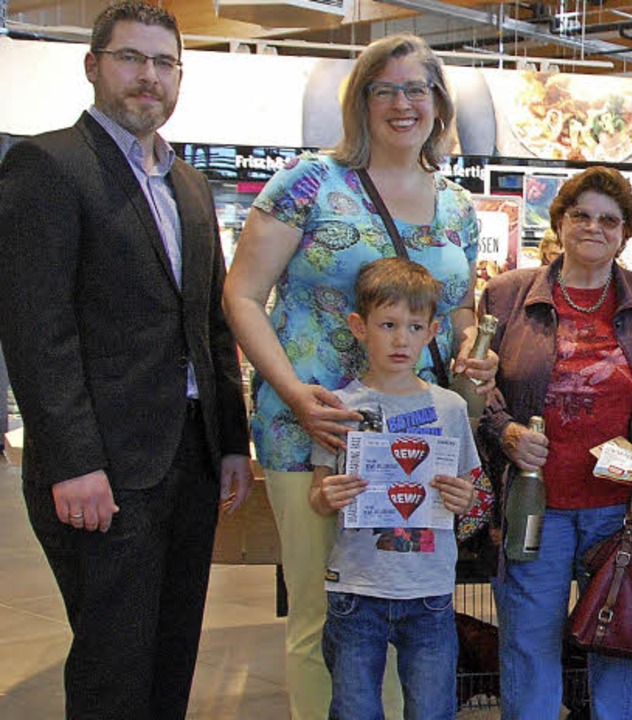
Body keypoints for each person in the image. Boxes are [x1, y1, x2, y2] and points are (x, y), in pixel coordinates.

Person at [223, 33, 492, 720]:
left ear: (439, 103)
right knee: (324, 615)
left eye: (417, 89)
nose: (403, 104)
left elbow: (458, 307)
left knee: (409, 609)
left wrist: (471, 346)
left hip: (416, 440)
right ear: (361, 101)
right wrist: (293, 394)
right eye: (385, 89)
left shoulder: (457, 205)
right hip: (316, 431)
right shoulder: (310, 183)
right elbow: (242, 294)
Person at [0, 3, 252, 717]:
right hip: (103, 468)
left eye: (165, 62)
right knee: (114, 662)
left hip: (190, 458)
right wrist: (73, 460)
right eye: (131, 58)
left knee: (172, 652)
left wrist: (231, 442)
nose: (150, 76)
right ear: (93, 66)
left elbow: (209, 324)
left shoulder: (187, 183)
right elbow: (35, 328)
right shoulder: (48, 166)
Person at [478, 166, 632, 720]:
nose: (595, 228)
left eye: (609, 220)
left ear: (626, 233)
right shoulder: (506, 296)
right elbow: (477, 382)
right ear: (560, 222)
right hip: (534, 504)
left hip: (621, 505)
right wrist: (504, 429)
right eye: (582, 216)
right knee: (529, 644)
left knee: (618, 644)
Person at [305, 258, 481, 719]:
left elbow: (468, 491)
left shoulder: (450, 407)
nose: (401, 339)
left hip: (429, 588)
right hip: (356, 586)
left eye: (414, 327)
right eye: (388, 325)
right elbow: (318, 496)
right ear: (359, 327)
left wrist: (463, 499)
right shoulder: (338, 408)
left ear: (433, 332)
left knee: (432, 708)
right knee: (354, 708)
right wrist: (328, 496)